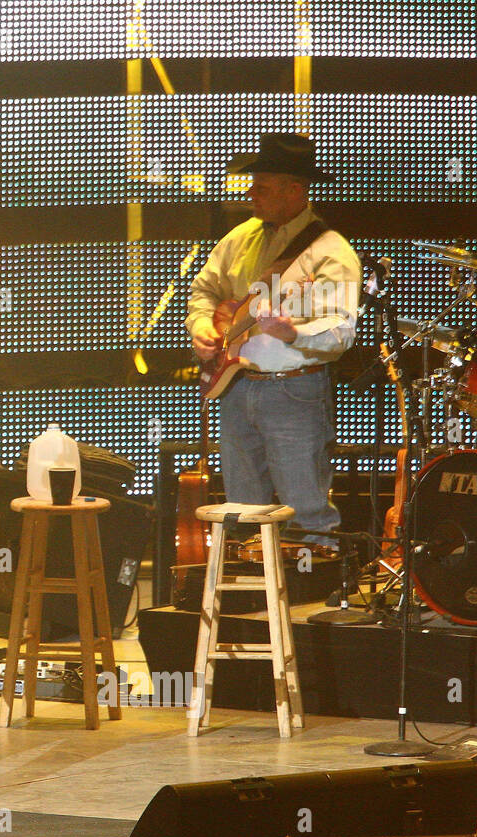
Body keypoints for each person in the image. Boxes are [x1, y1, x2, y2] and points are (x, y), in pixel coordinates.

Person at [187, 133, 360, 545]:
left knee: (307, 511)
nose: (251, 194)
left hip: (295, 390)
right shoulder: (239, 238)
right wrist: (200, 329)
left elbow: (341, 331)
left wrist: (293, 332)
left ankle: (312, 601)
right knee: (244, 514)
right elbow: (203, 292)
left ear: (295, 190)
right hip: (236, 387)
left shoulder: (331, 252)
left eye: (262, 186)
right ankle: (255, 601)